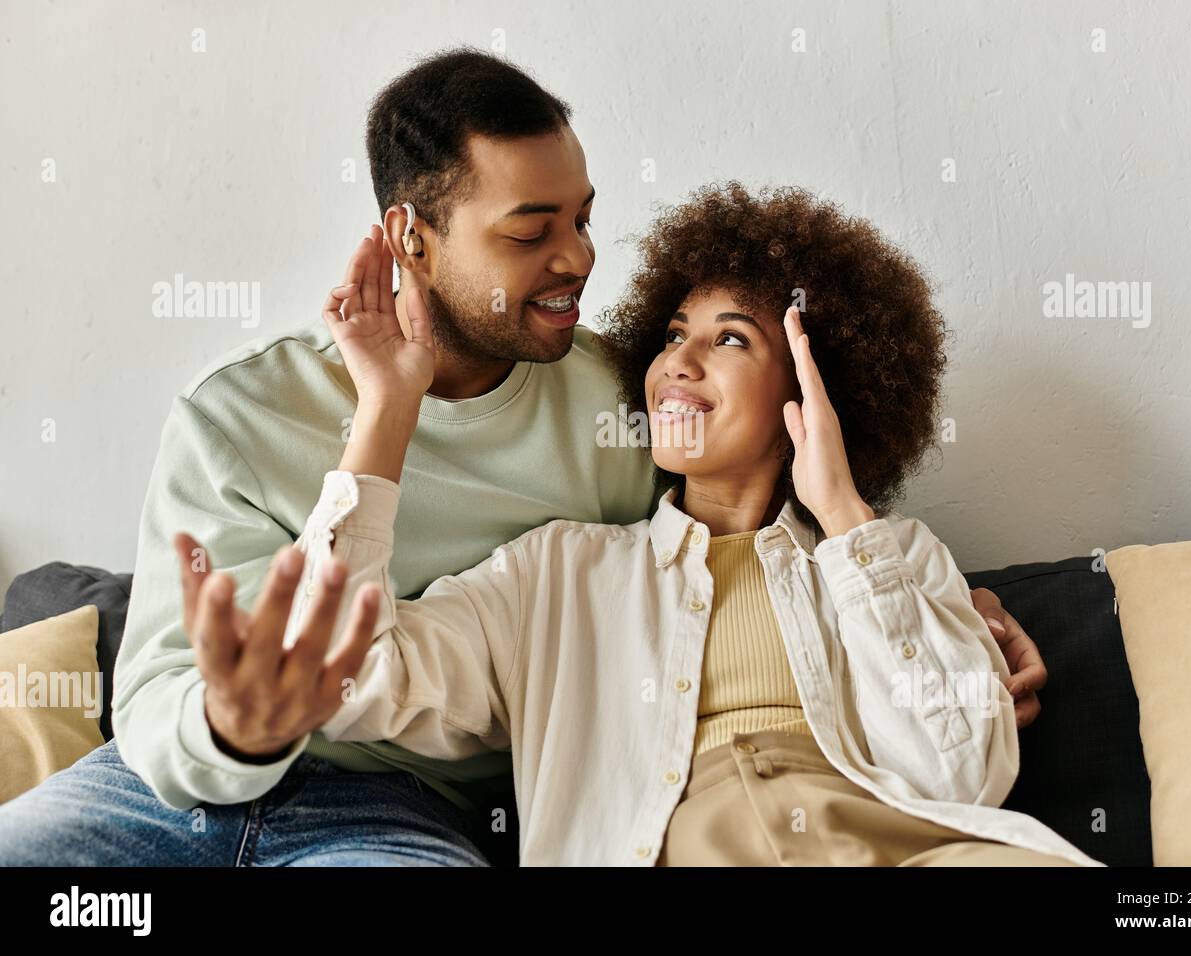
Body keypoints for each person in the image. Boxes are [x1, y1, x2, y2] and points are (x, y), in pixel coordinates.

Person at [0, 50, 1044, 867]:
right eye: (531, 228)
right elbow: (169, 709)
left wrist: (945, 615)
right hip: (166, 792)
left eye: (583, 219)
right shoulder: (240, 417)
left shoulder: (618, 404)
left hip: (399, 811)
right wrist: (384, 417)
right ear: (411, 241)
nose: (581, 256)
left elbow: (747, 531)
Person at [183, 182, 1100, 867]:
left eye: (730, 339)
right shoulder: (558, 575)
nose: (678, 364)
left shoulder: (887, 560)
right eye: (671, 335)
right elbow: (359, 678)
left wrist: (846, 514)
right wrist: (386, 409)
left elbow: (965, 777)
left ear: (814, 389)